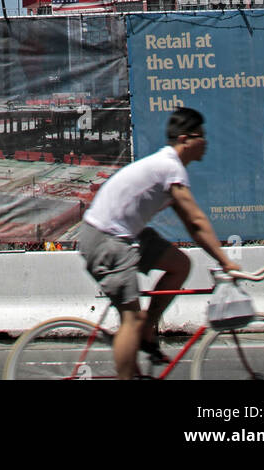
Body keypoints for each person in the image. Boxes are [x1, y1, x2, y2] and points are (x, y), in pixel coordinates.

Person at [78, 107, 239, 380]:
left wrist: (220, 257)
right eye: (202, 136)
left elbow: (192, 224)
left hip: (125, 235)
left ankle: (147, 329)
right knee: (131, 318)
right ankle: (135, 340)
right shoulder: (170, 168)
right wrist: (226, 262)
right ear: (186, 139)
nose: (207, 142)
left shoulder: (169, 168)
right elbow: (197, 221)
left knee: (180, 264)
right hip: (107, 239)